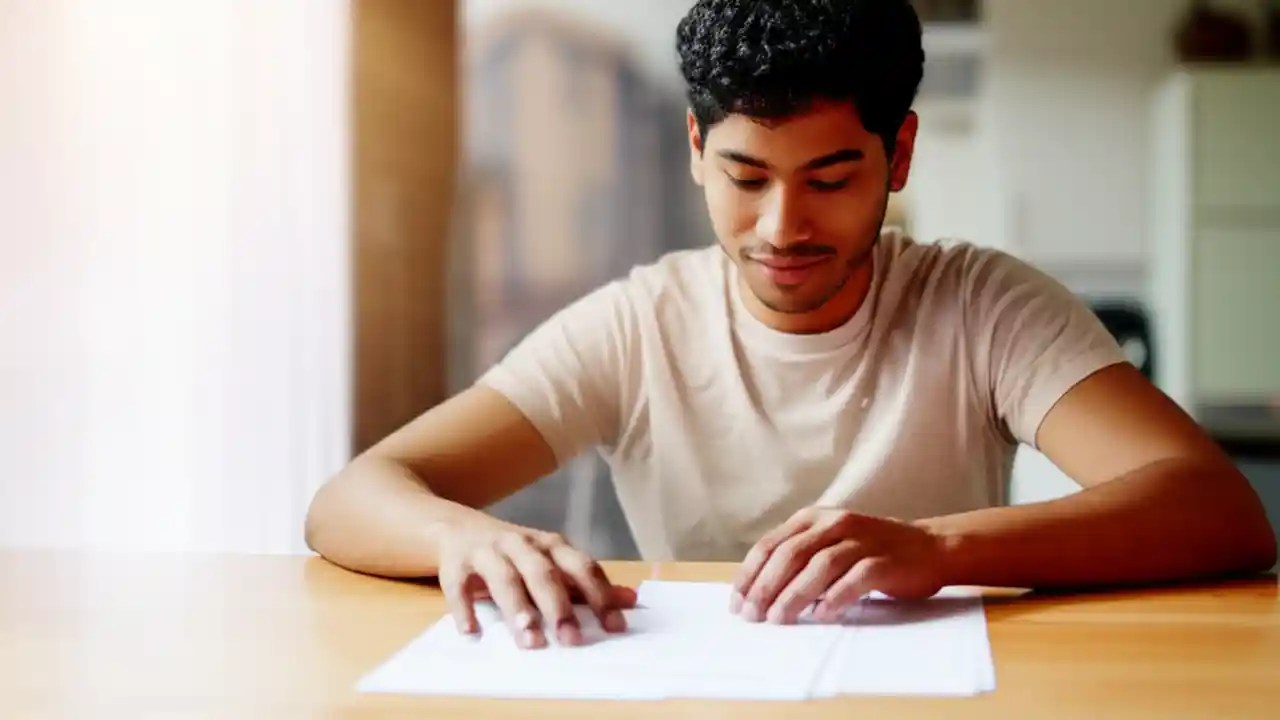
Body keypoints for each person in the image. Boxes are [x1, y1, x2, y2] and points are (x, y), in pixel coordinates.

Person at [305, 0, 1276, 650]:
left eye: (828, 178)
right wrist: (462, 540)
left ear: (896, 154)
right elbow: (351, 498)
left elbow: (1214, 509)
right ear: (695, 148)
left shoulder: (983, 305)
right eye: (743, 177)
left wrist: (938, 550)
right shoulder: (639, 323)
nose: (781, 229)